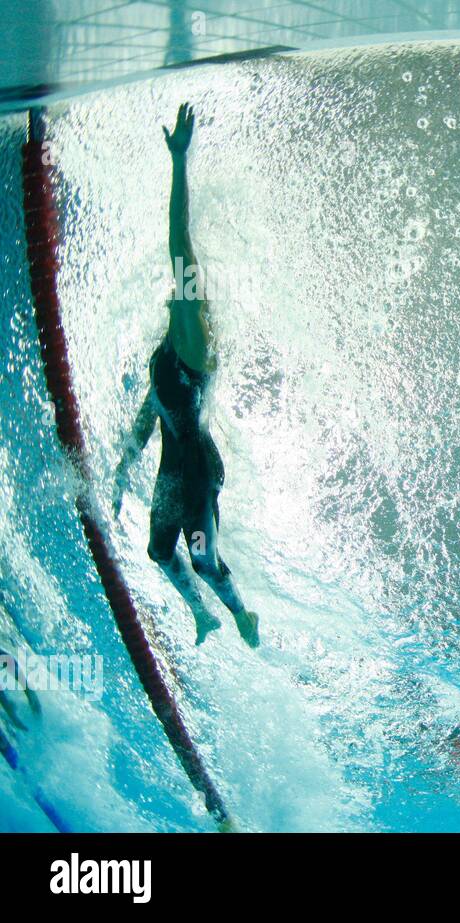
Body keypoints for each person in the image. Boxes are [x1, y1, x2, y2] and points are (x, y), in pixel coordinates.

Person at [111, 103, 259, 647]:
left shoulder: (195, 345)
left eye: (182, 293)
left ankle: (241, 610)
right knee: (158, 551)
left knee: (200, 555)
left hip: (197, 469)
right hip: (172, 467)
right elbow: (152, 409)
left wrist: (179, 161)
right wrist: (124, 463)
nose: (174, 296)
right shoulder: (169, 346)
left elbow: (180, 238)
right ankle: (204, 616)